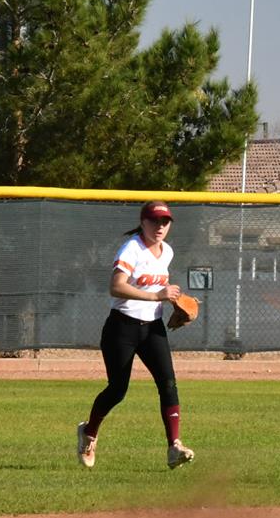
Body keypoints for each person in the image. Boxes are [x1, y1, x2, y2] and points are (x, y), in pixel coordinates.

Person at [76, 200, 195, 470]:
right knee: (117, 390)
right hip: (122, 327)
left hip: (153, 327)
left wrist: (176, 304)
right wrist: (156, 295)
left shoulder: (167, 252)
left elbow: (160, 288)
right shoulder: (132, 249)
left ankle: (174, 446)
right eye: (154, 221)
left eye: (165, 222)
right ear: (143, 222)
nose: (160, 226)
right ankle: (89, 433)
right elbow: (116, 287)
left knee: (168, 383)